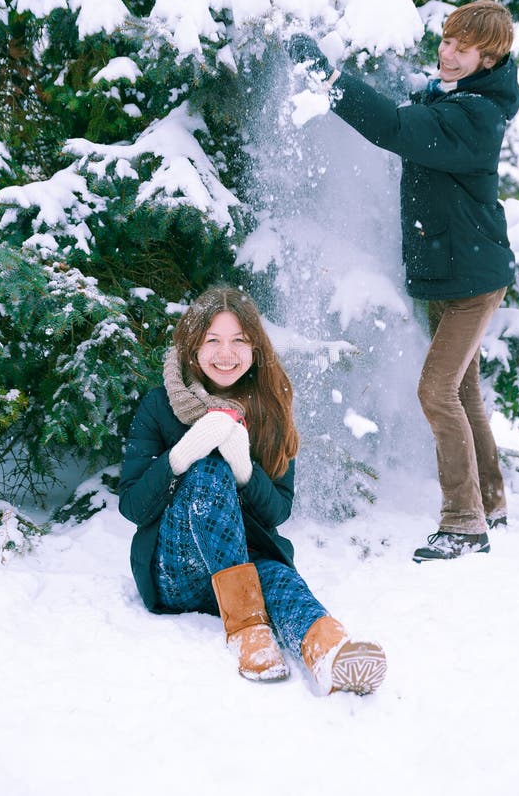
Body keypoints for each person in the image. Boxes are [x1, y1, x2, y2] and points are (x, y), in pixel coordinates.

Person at [288, 0, 519, 562]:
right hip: (448, 273)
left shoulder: (474, 116)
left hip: (471, 283)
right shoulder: (450, 96)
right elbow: (407, 107)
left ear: (489, 59)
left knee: (435, 391)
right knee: (462, 391)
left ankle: (464, 524)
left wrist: (330, 79)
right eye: (446, 41)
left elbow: (394, 127)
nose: (448, 54)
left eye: (463, 49)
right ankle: (491, 502)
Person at [118, 285, 386, 694]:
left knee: (279, 579)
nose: (225, 354)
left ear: (255, 348)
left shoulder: (271, 407)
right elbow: (133, 506)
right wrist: (185, 452)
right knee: (208, 470)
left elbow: (278, 511)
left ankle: (330, 652)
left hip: (244, 567)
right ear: (193, 346)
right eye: (213, 340)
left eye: (239, 341)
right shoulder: (160, 405)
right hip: (177, 570)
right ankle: (247, 632)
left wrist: (243, 466)